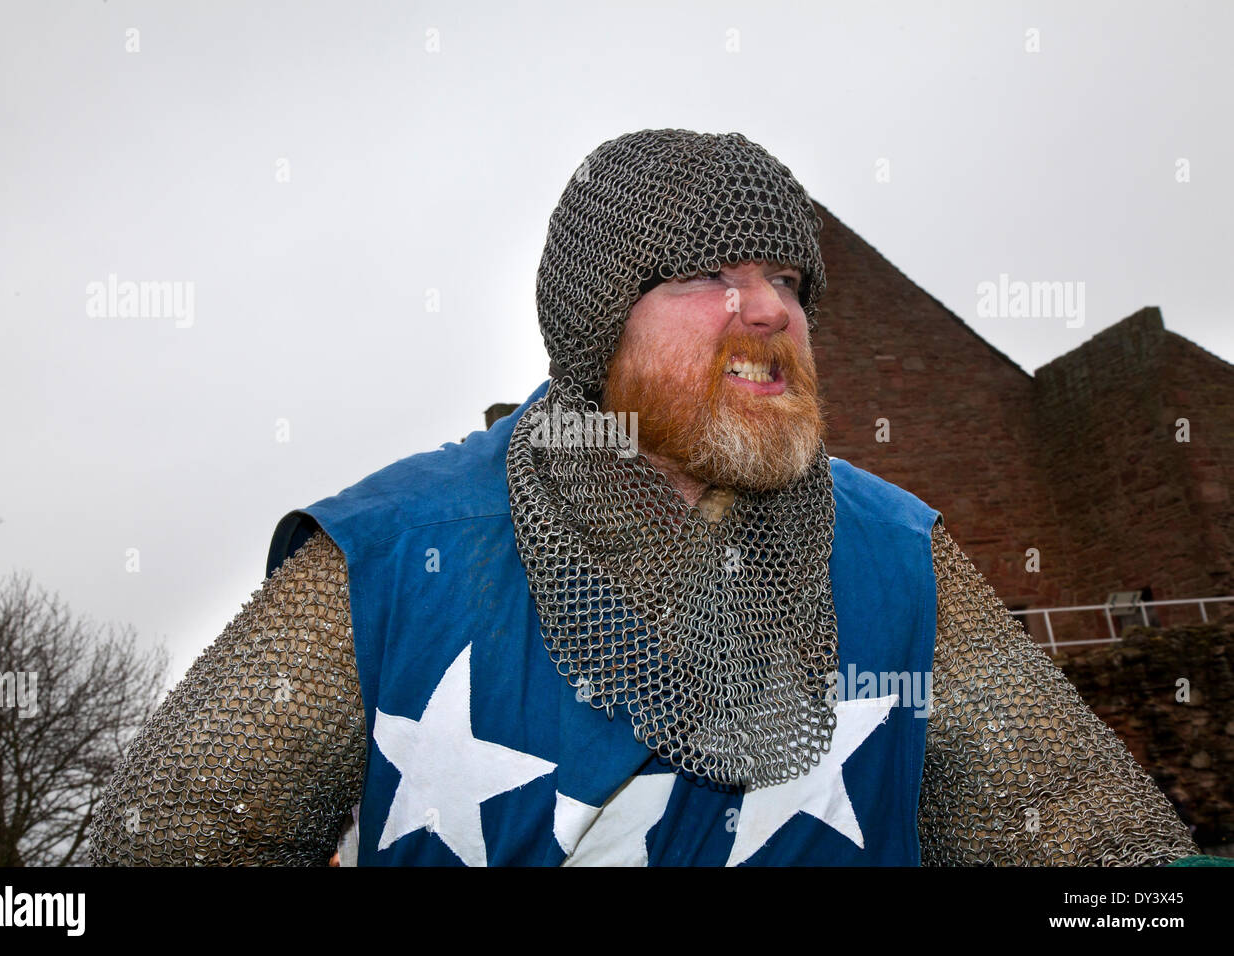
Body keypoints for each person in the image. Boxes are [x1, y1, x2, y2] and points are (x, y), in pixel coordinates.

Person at [89, 129, 1204, 867]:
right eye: (705, 276)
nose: (767, 309)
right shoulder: (392, 558)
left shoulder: (897, 560)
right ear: (593, 330)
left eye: (788, 282)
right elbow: (177, 841)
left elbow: (1087, 844)